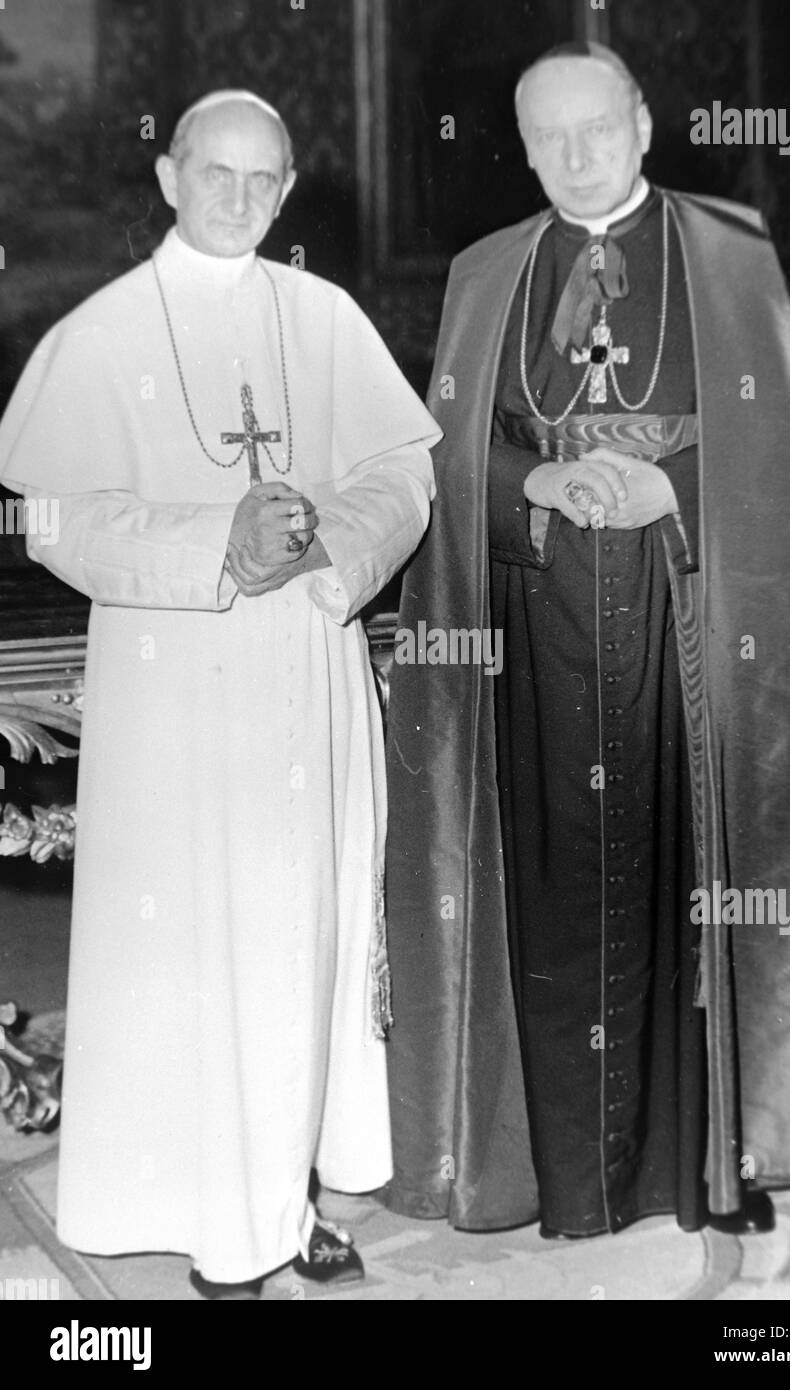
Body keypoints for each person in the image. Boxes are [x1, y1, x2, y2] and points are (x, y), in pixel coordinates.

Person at [385, 42, 790, 1240]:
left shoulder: (730, 256)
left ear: (644, 123)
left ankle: (703, 1162)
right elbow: (444, 452)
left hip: (695, 623)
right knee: (552, 895)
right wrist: (536, 487)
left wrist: (673, 487)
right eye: (549, 136)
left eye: (597, 129)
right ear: (519, 145)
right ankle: (563, 1175)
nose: (575, 156)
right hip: (531, 622)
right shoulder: (484, 271)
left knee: (699, 889)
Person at [0, 89, 440, 1297]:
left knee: (305, 933)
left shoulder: (324, 315)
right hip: (174, 689)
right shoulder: (98, 336)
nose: (239, 201)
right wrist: (217, 547)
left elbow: (402, 474)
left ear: (288, 189)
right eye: (216, 175)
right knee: (197, 950)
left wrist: (324, 545)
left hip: (308, 661)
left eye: (263, 181)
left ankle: (287, 1193)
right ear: (169, 178)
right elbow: (59, 515)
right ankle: (212, 1209)